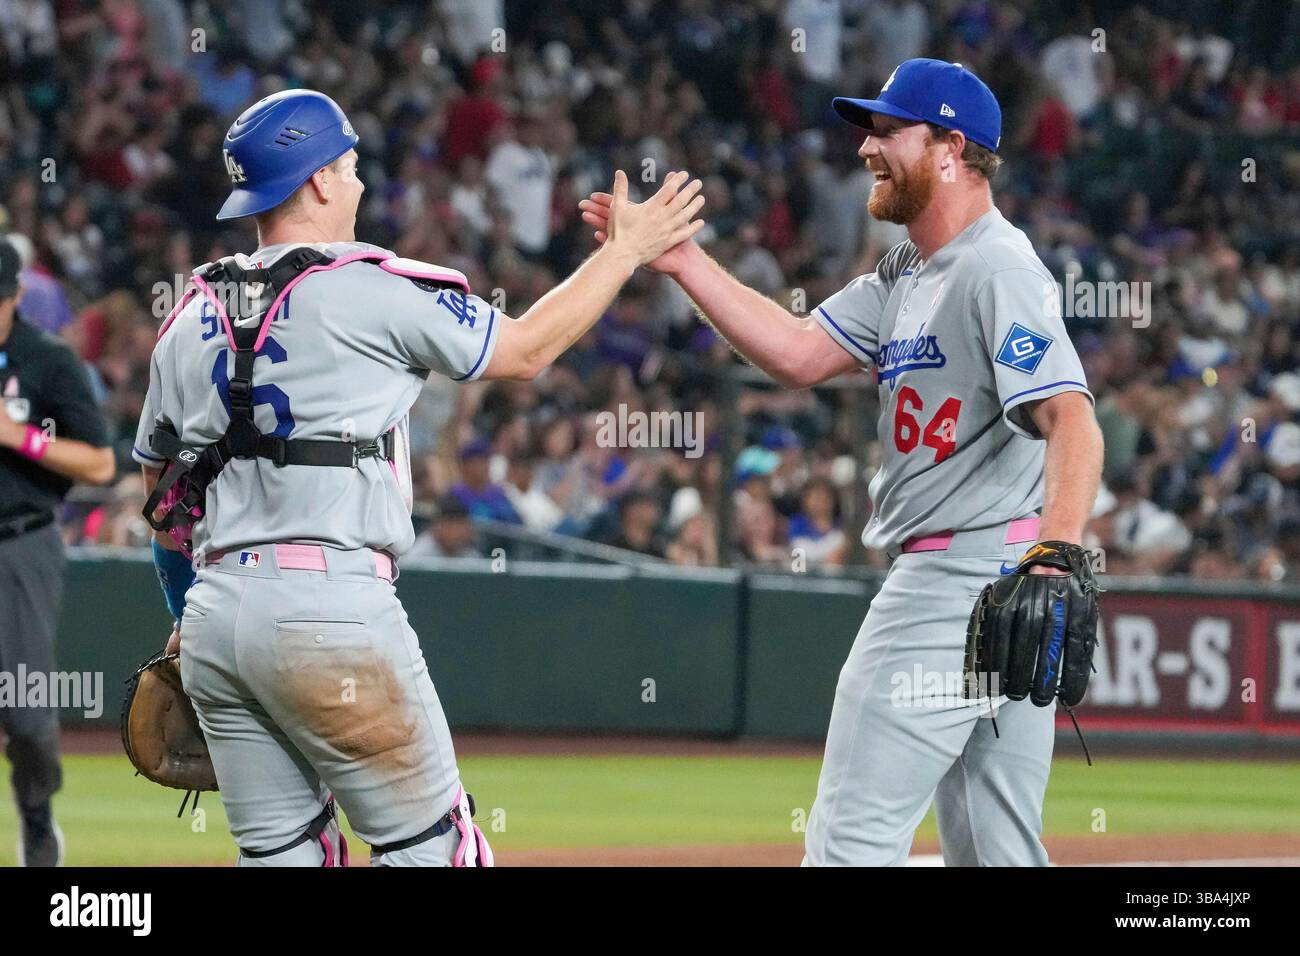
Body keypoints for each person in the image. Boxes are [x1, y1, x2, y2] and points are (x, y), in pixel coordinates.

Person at [134, 89, 703, 867]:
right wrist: (625, 253)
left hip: (214, 623)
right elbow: (527, 350)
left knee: (282, 857)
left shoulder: (186, 313)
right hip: (329, 609)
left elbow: (164, 506)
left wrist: (182, 611)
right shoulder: (374, 289)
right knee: (433, 850)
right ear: (322, 180)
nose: (361, 182)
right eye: (352, 165)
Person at [581, 59, 1104, 866]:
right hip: (990, 582)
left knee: (848, 846)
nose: (866, 146)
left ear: (949, 149)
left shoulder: (995, 266)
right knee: (998, 851)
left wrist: (1056, 554)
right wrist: (682, 261)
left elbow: (1072, 418)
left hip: (958, 580)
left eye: (890, 129)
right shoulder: (909, 268)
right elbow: (796, 352)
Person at [0, 234, 116, 866]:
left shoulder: (47, 362)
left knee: (26, 716)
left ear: (16, 296)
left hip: (20, 544)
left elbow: (100, 462)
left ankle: (38, 820)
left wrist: (22, 438)